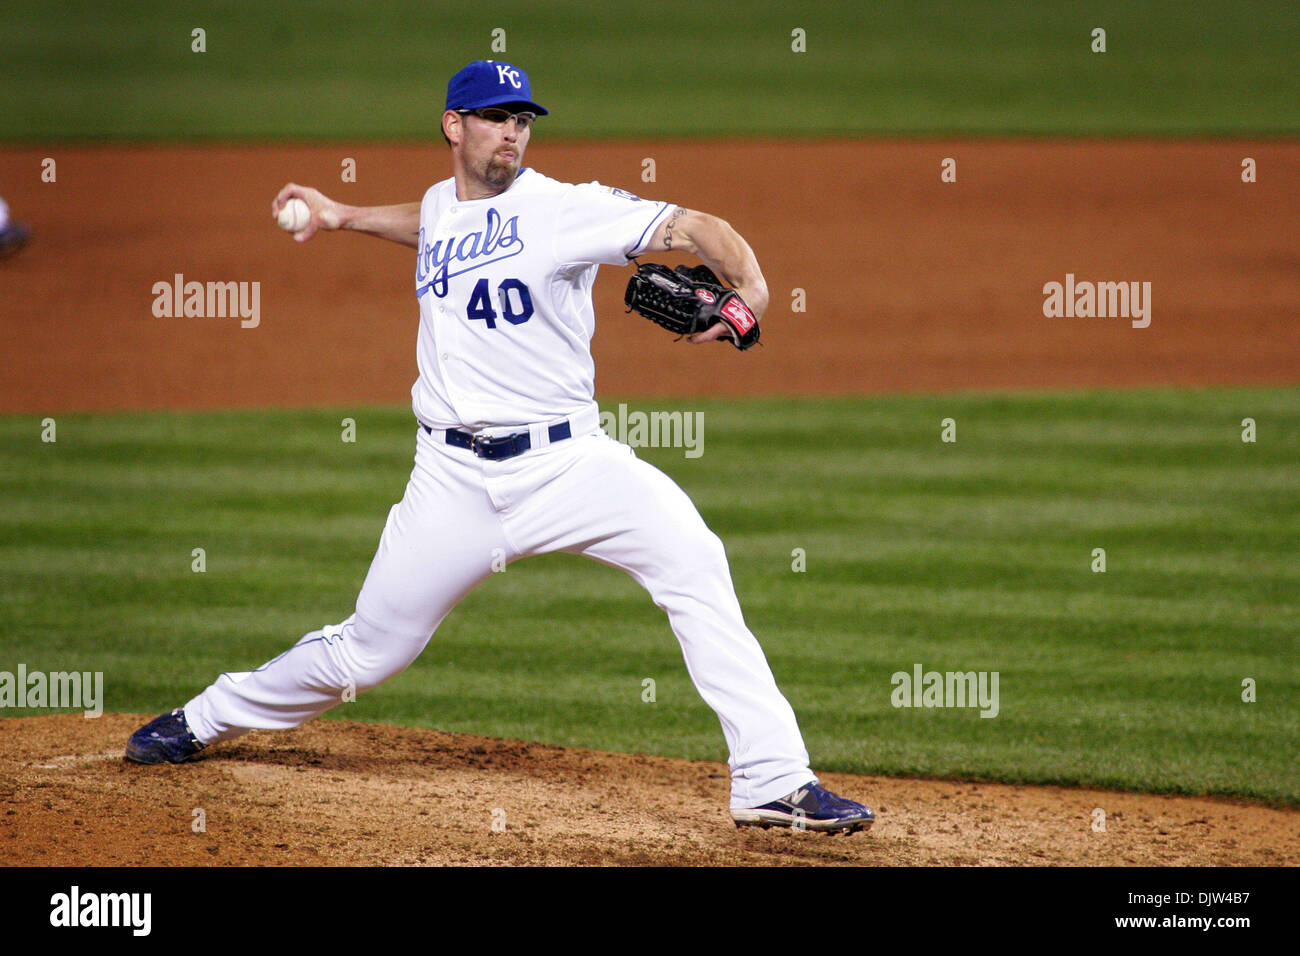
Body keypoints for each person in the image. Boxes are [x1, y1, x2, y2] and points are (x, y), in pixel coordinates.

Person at [126, 60, 874, 834]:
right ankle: (205, 717)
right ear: (454, 125)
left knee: (693, 558)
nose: (513, 129)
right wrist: (343, 214)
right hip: (450, 480)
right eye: (495, 115)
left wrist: (749, 289)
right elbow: (435, 223)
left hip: (568, 464)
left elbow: (696, 228)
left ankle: (771, 779)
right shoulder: (441, 205)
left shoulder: (567, 208)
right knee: (368, 654)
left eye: (523, 117)